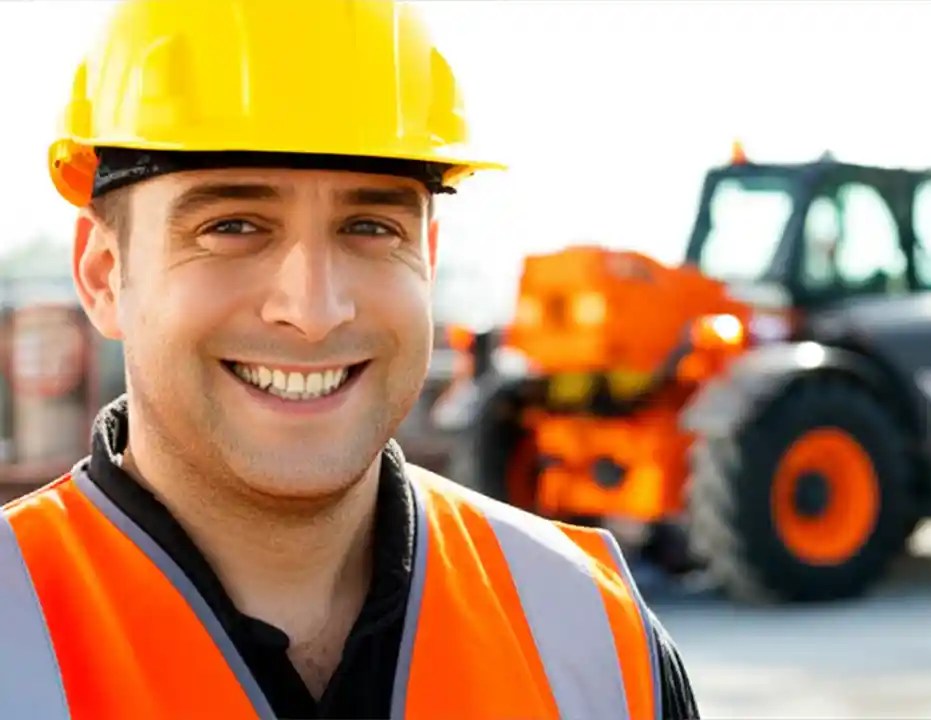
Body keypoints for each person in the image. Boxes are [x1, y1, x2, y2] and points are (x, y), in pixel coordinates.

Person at [0, 1, 701, 718]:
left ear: (426, 262)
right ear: (102, 273)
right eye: (231, 226)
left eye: (369, 226)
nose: (313, 309)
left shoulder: (593, 639)